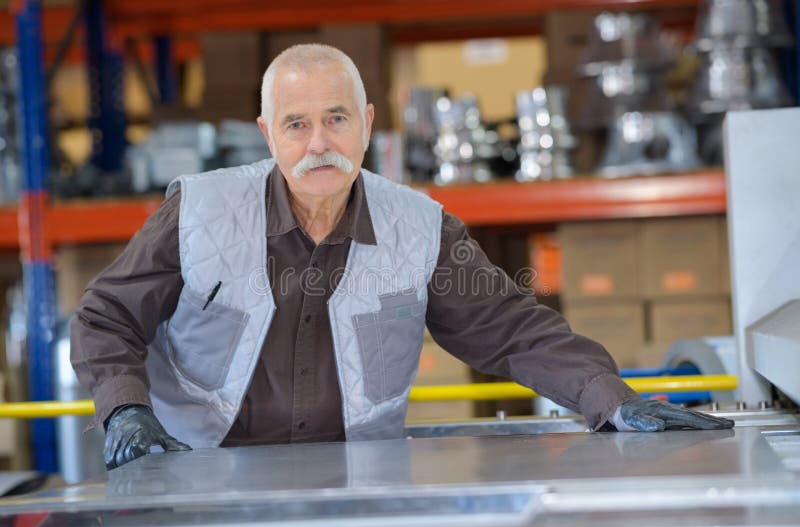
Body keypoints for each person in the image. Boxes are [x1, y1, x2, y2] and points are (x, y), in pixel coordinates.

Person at [71, 44, 733, 471]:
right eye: (296, 125)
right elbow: (105, 317)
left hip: (357, 488)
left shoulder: (420, 227)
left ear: (366, 121)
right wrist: (127, 411)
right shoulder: (200, 213)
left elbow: (513, 330)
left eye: (336, 118)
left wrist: (613, 400)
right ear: (267, 133)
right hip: (201, 478)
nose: (318, 143)